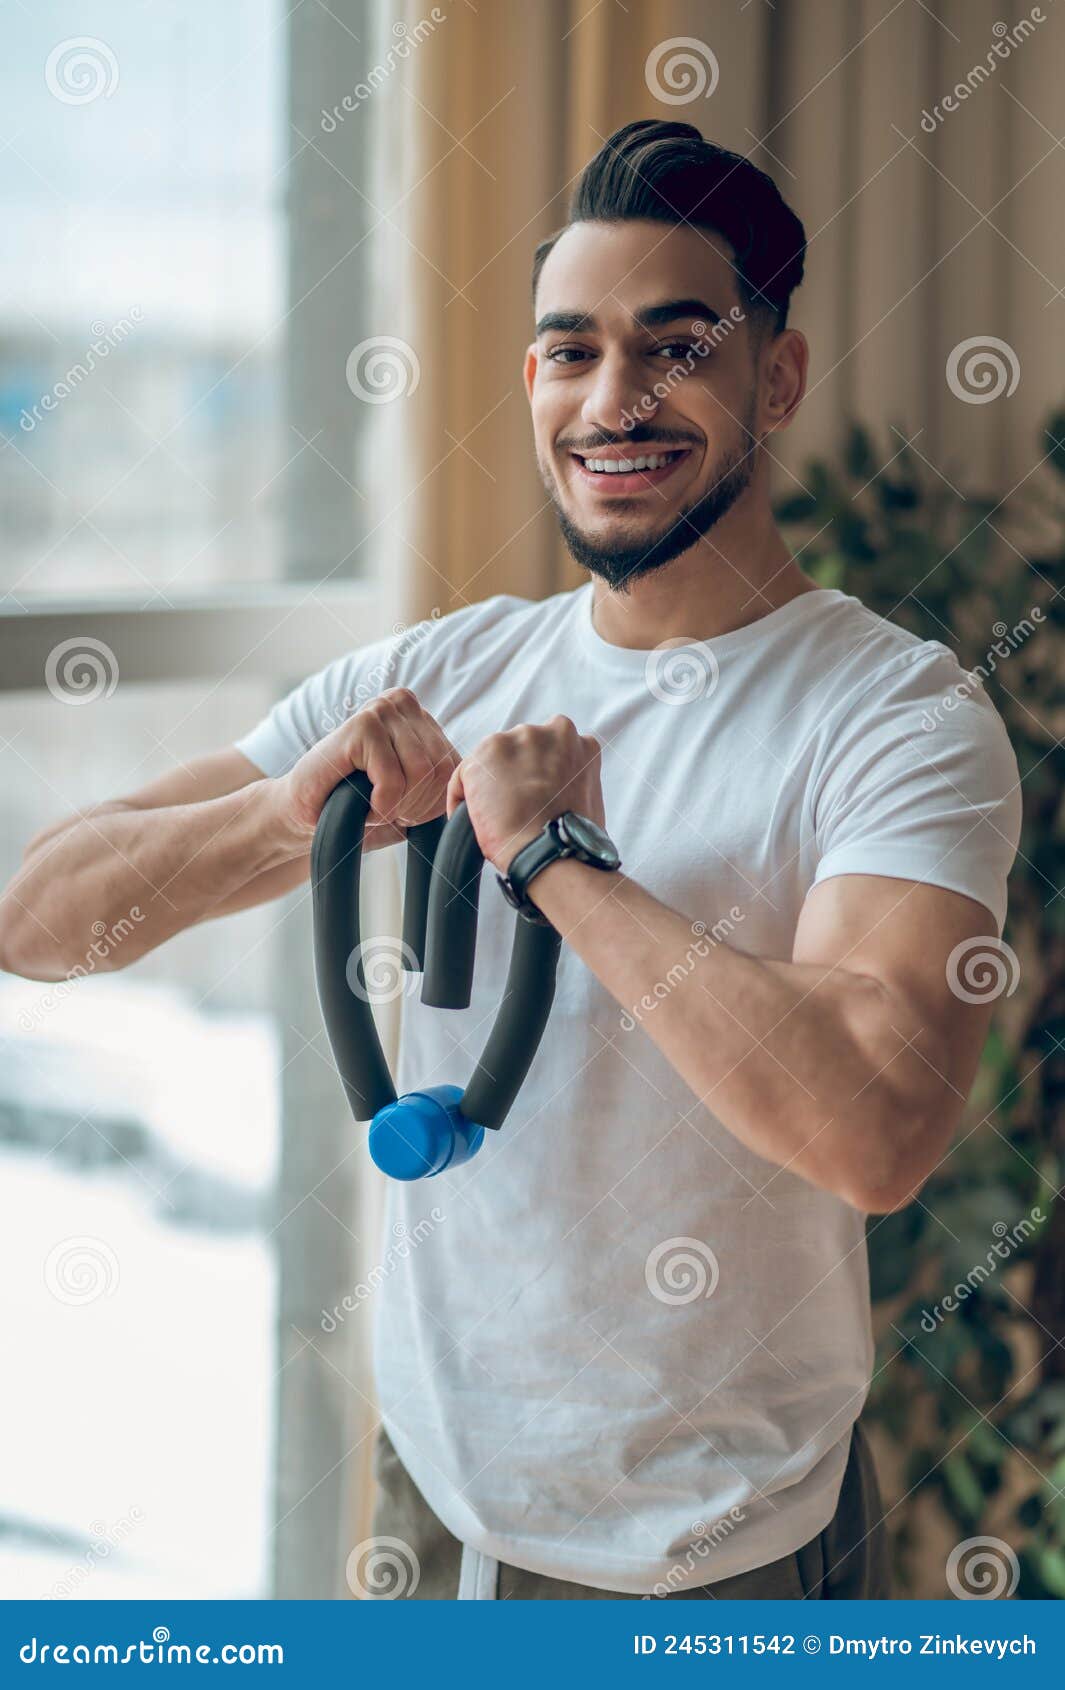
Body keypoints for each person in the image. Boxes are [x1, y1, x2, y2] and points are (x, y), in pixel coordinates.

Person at [0, 120, 1020, 1601]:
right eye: (568, 351)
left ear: (776, 380)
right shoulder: (449, 665)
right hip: (436, 1500)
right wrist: (292, 811)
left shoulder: (896, 712)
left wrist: (558, 860)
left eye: (676, 348)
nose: (613, 400)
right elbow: (38, 918)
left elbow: (876, 1125)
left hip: (710, 1546)